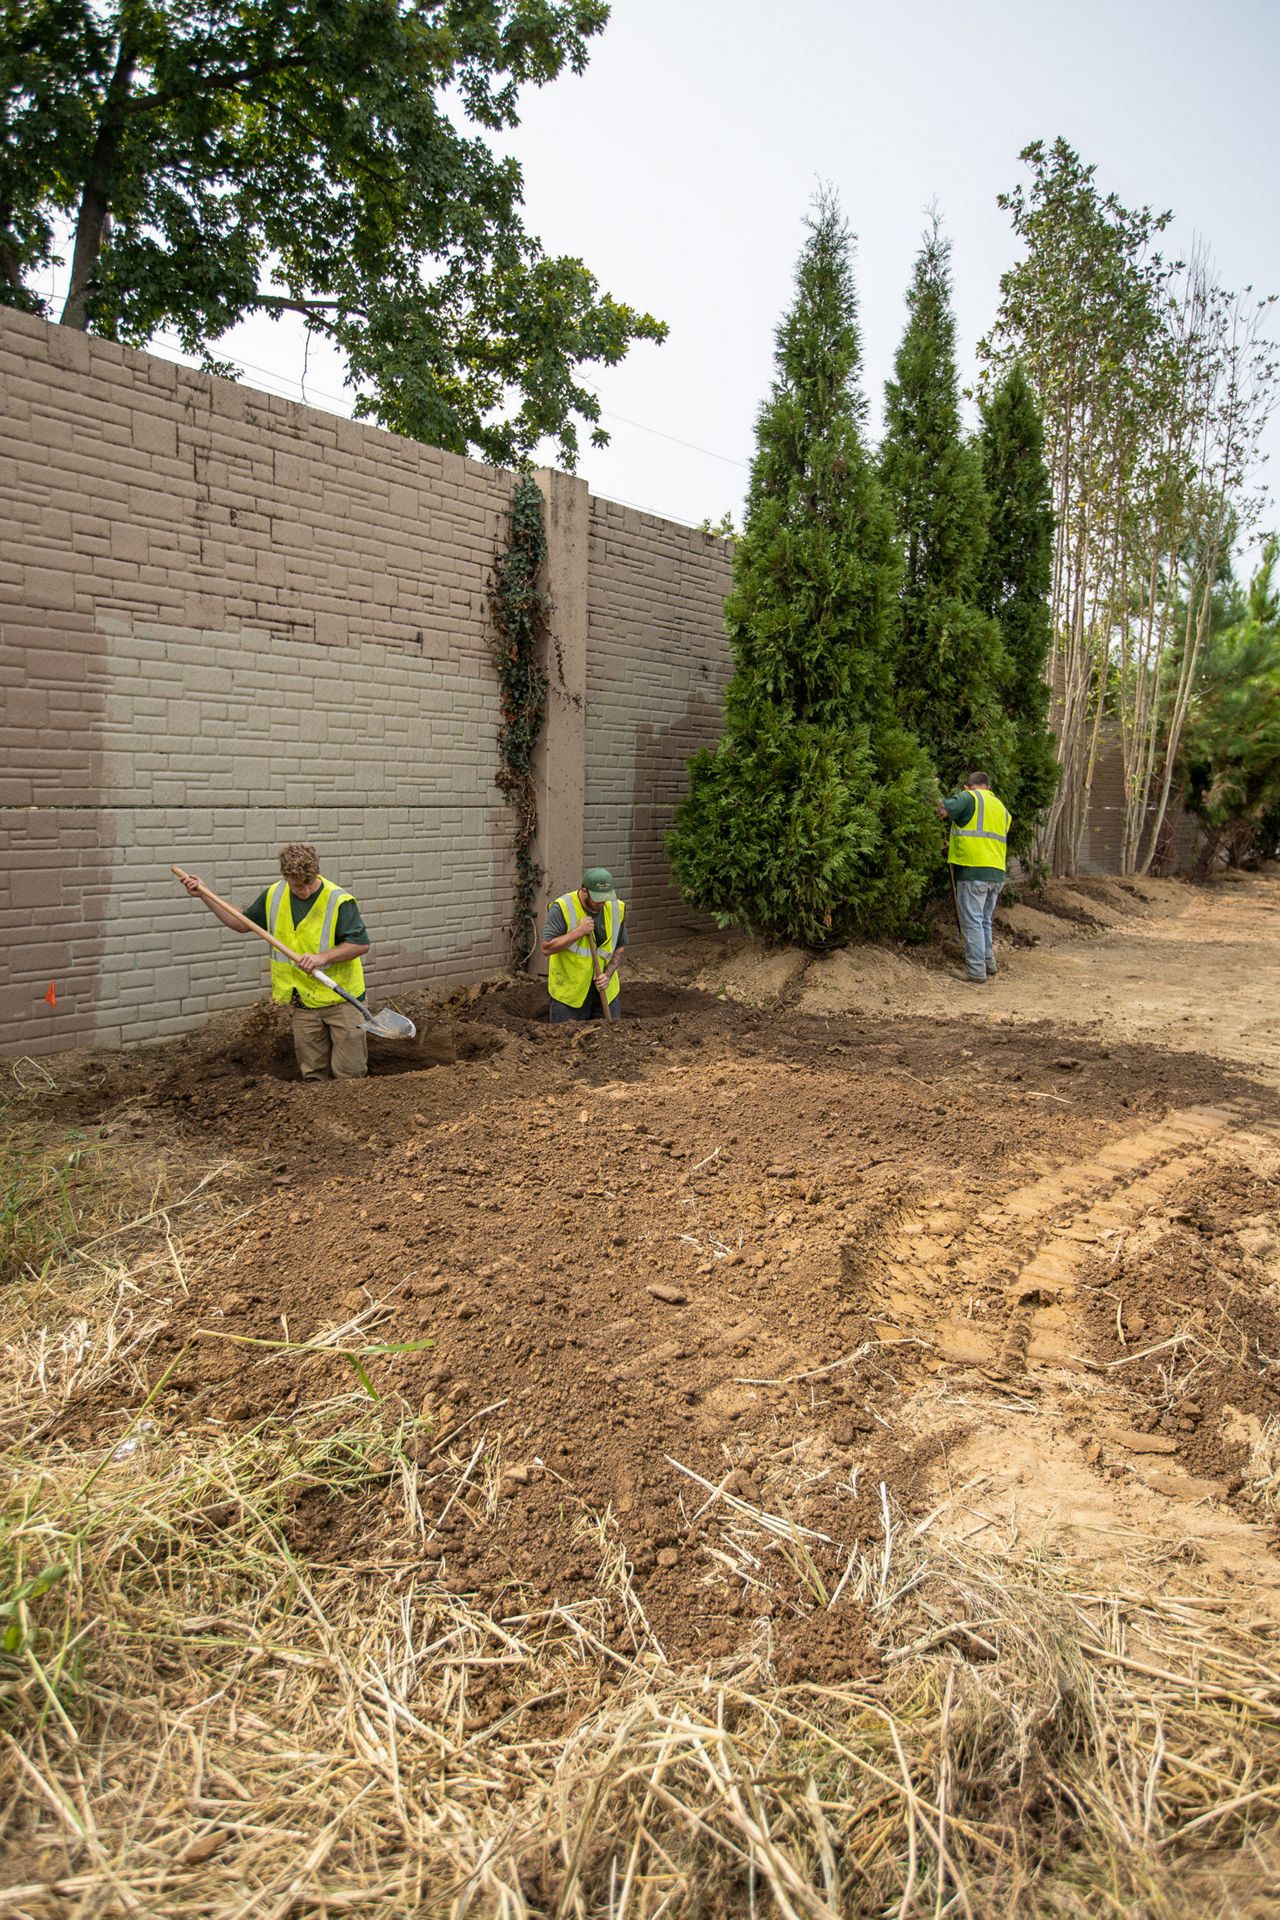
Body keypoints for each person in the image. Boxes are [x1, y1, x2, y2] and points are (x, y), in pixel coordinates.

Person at [182, 844, 372, 1077]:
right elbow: (241, 923)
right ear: (286, 877)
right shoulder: (274, 895)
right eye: (298, 885)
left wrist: (322, 957)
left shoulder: (338, 900)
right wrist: (205, 894)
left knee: (350, 1073)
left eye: (309, 883)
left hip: (342, 1000)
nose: (305, 891)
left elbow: (360, 944)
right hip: (304, 1001)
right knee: (312, 1074)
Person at [936, 773, 1010, 985]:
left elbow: (941, 810)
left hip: (973, 871)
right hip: (997, 873)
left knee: (973, 921)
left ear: (967, 786)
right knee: (984, 920)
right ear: (989, 787)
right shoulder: (1001, 809)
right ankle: (988, 963)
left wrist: (932, 791)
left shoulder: (969, 797)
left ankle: (976, 970)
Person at [540, 867, 628, 1023]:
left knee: (610, 1036)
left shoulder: (615, 908)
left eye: (605, 898)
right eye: (597, 898)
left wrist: (607, 975)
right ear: (584, 891)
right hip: (570, 994)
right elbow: (546, 948)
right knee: (566, 1037)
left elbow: (619, 947)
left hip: (605, 991)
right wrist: (578, 932)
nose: (602, 903)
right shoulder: (563, 907)